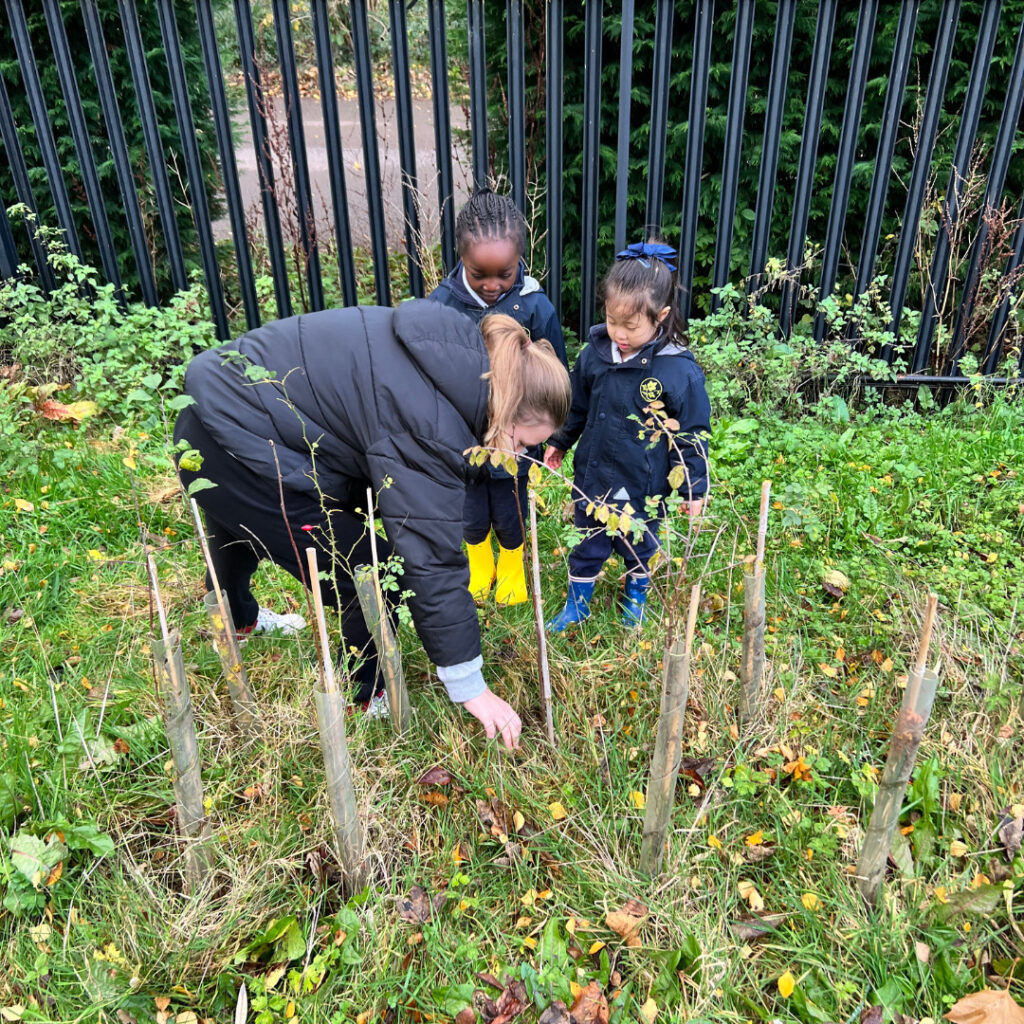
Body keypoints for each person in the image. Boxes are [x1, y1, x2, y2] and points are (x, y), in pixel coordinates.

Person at [173, 300, 570, 749]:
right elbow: (430, 555)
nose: (515, 459)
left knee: (240, 524)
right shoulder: (430, 420)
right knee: (372, 574)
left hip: (211, 420)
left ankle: (237, 619)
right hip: (236, 447)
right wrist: (469, 684)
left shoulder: (452, 357)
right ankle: (363, 696)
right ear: (511, 407)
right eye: (520, 444)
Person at [543, 241, 711, 630]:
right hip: (594, 475)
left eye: (630, 325)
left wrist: (692, 488)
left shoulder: (677, 373)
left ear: (661, 315)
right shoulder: (595, 355)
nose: (617, 332)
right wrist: (560, 441)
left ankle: (635, 597)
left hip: (644, 482)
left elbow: (690, 434)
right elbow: (577, 405)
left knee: (640, 543)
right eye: (611, 319)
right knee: (587, 540)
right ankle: (577, 605)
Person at [429, 188, 567, 607]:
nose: (492, 285)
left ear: (519, 260)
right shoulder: (440, 305)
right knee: (469, 510)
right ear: (461, 260)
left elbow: (555, 369)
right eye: (479, 274)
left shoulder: (534, 307)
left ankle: (510, 563)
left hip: (514, 439)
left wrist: (547, 432)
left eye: (504, 274)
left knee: (510, 506)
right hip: (464, 437)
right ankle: (478, 563)